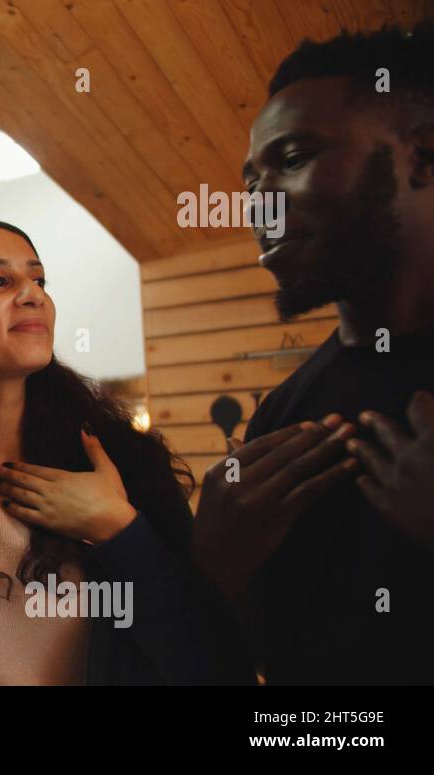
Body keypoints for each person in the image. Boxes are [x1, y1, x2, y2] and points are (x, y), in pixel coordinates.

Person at [0, 217, 250, 684]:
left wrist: (118, 529)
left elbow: (211, 661)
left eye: (39, 279)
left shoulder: (123, 461)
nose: (32, 294)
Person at [195, 22, 434, 684]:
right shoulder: (284, 415)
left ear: (422, 157)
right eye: (250, 183)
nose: (260, 204)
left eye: (294, 158)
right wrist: (216, 567)